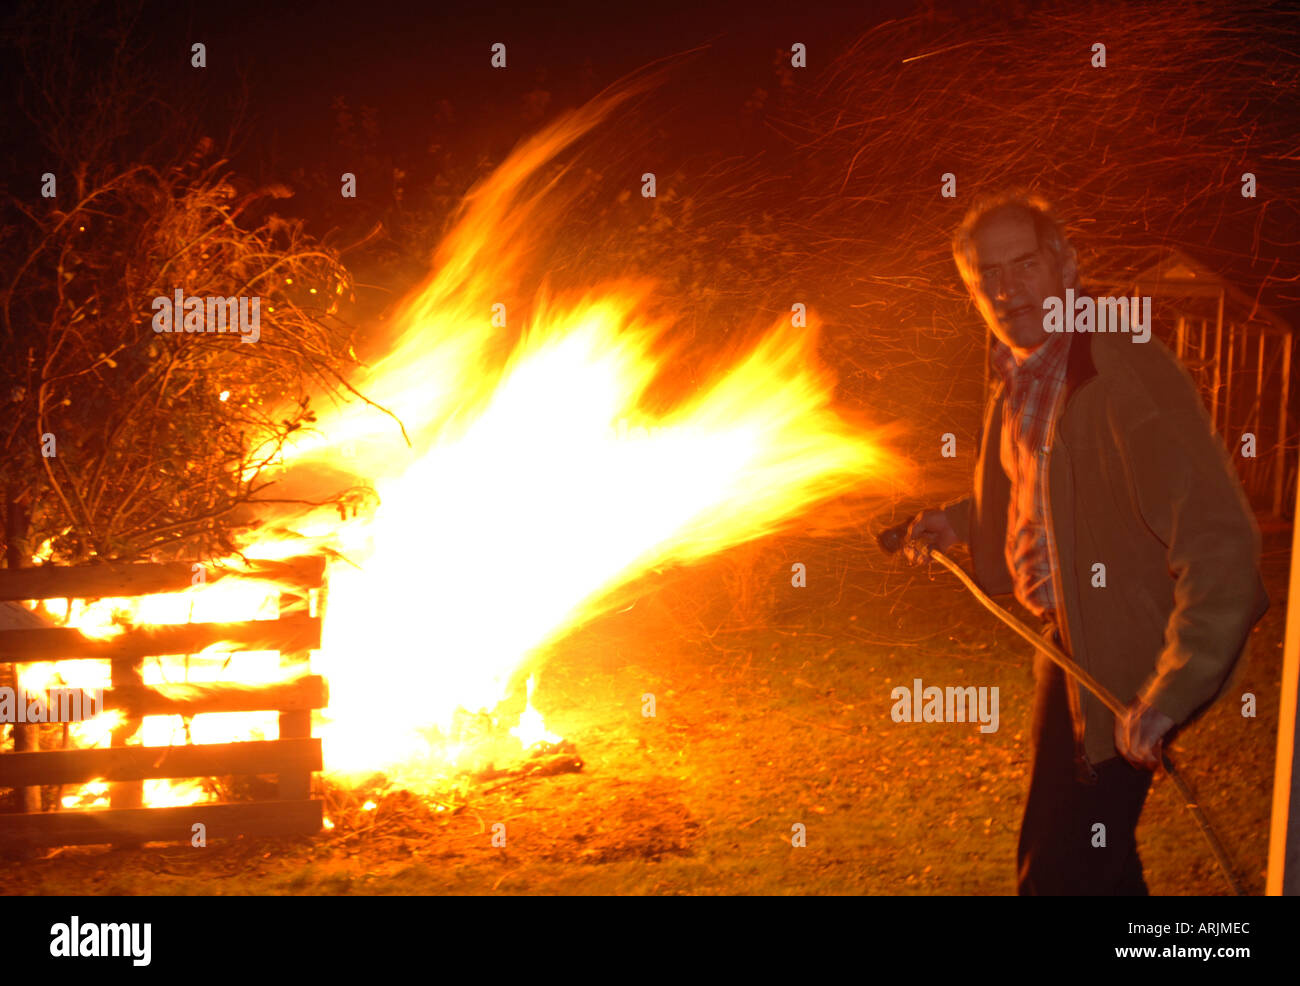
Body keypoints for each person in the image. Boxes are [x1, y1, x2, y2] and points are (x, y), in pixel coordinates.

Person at [909, 189, 1270, 895]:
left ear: (1067, 266)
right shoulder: (1022, 370)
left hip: (1127, 661)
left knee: (1057, 872)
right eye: (990, 275)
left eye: (1026, 265)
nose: (1010, 289)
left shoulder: (1120, 371)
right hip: (1069, 648)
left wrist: (1173, 687)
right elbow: (1047, 491)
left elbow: (1218, 537)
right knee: (1097, 863)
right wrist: (965, 521)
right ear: (972, 291)